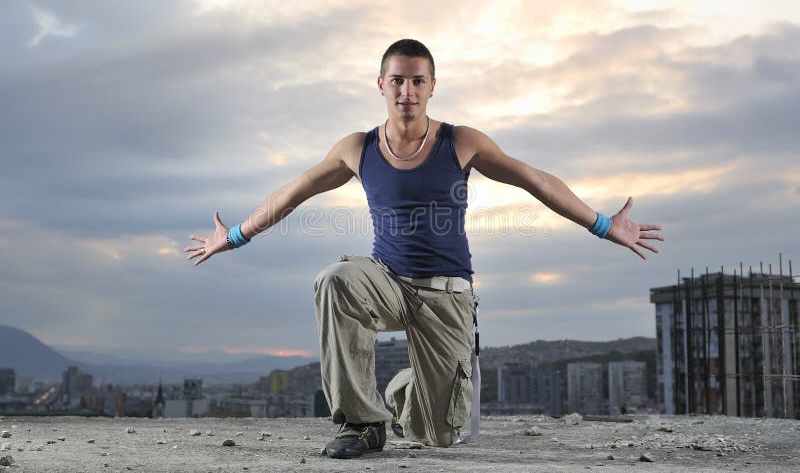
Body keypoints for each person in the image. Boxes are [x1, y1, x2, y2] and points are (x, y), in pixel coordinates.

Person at [185, 39, 664, 459]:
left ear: (433, 85)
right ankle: (362, 424)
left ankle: (405, 388)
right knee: (334, 280)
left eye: (417, 81)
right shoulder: (358, 147)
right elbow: (295, 190)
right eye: (397, 81)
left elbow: (536, 179)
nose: (406, 92)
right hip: (385, 281)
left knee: (437, 435)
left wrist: (603, 224)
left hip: (447, 296)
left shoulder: (461, 142)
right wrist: (234, 236)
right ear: (380, 84)